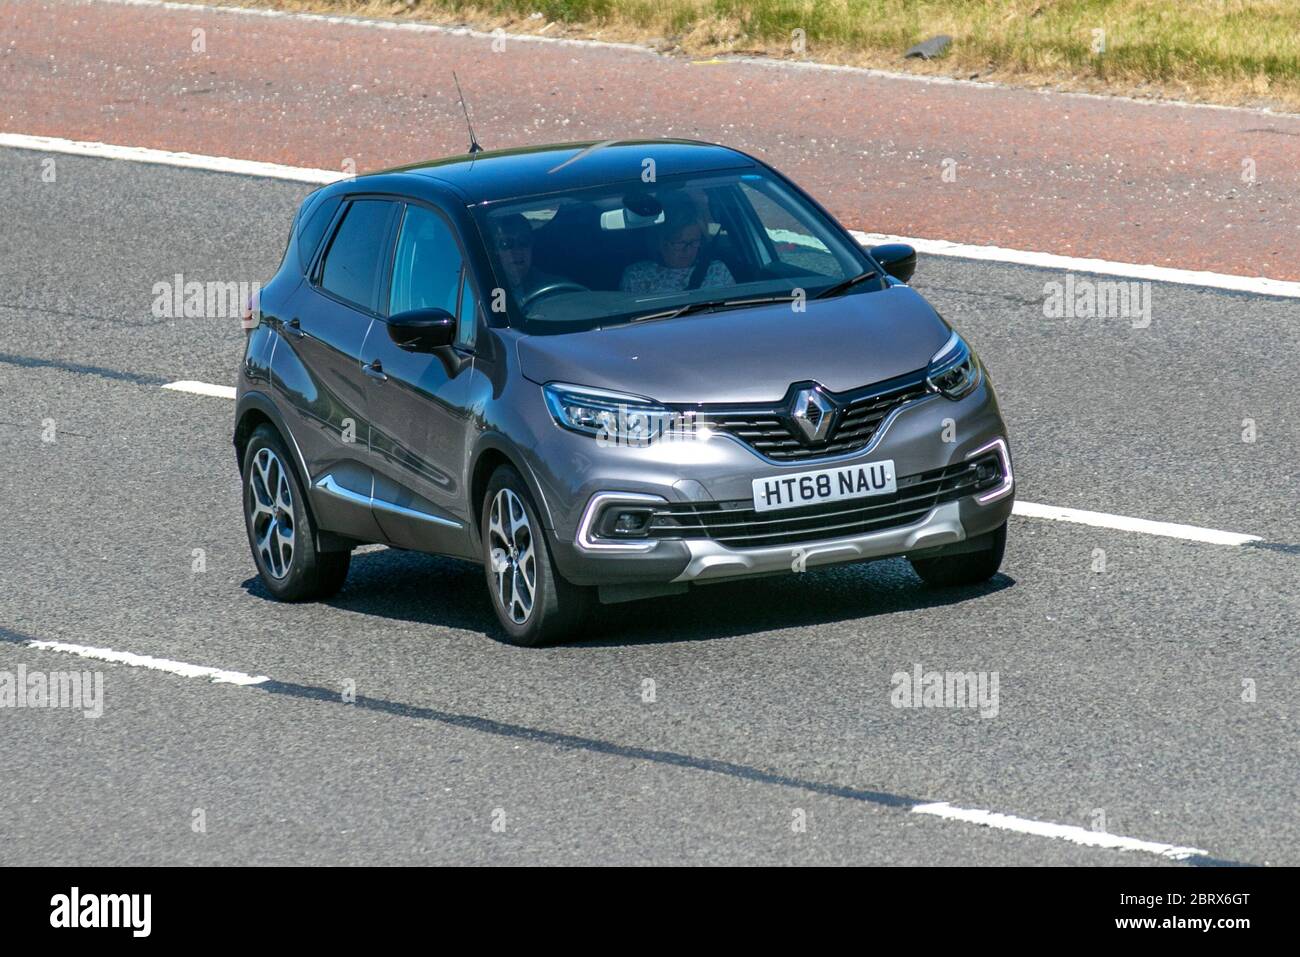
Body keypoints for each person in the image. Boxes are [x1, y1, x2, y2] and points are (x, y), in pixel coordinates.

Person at [620, 197, 734, 295]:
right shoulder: (637, 276)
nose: (688, 251)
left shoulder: (717, 271)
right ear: (660, 243)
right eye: (680, 243)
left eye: (694, 242)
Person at [490, 213, 561, 299]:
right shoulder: (483, 290)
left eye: (523, 241)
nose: (517, 250)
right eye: (506, 243)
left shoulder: (554, 287)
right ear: (496, 249)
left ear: (532, 245)